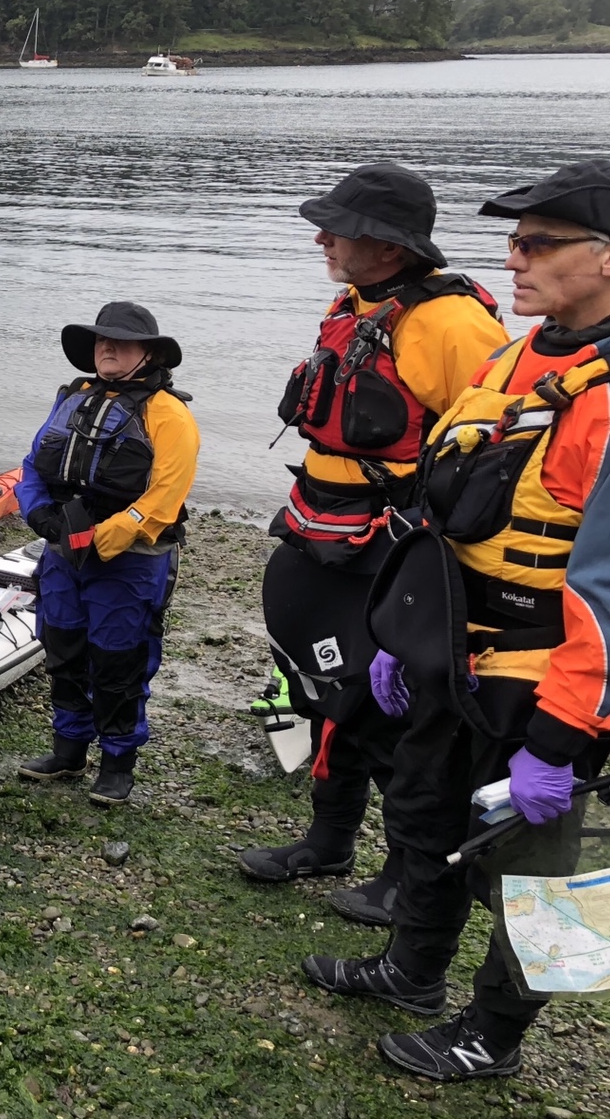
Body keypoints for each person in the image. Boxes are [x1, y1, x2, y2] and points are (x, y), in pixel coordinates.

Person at [304, 159, 609, 1081]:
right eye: (513, 242)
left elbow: (605, 596)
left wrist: (558, 741)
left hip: (545, 679)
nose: (511, 260)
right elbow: (442, 504)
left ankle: (497, 1036)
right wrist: (404, 635)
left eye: (538, 244)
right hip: (450, 657)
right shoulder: (517, 357)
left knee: (551, 882)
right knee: (421, 815)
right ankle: (411, 971)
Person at [239, 164, 508, 925]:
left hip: (386, 543)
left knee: (381, 708)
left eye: (338, 228)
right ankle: (327, 840)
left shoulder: (453, 325)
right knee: (324, 696)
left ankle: (404, 872)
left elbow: (487, 455)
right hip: (319, 523)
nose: (321, 237)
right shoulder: (361, 301)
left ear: (388, 249)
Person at [14, 303, 199, 804]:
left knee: (119, 660)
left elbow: (164, 500)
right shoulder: (73, 399)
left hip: (129, 561)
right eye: (100, 341)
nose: (107, 348)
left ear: (149, 354)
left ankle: (118, 761)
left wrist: (102, 537)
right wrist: (39, 514)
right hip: (63, 549)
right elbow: (33, 464)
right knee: (63, 647)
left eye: (120, 342)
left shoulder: (169, 414)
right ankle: (68, 749)